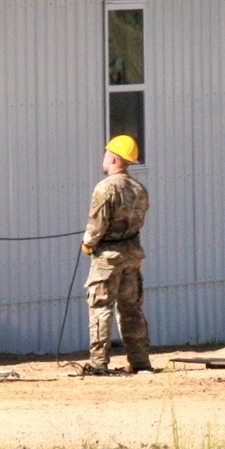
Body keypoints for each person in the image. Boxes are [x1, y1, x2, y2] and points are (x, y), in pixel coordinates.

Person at [79, 134, 151, 376]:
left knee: (100, 306)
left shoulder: (105, 188)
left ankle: (99, 362)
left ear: (113, 158)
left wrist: (88, 243)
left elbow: (98, 223)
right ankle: (140, 362)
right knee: (131, 308)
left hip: (108, 257)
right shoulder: (139, 189)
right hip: (132, 253)